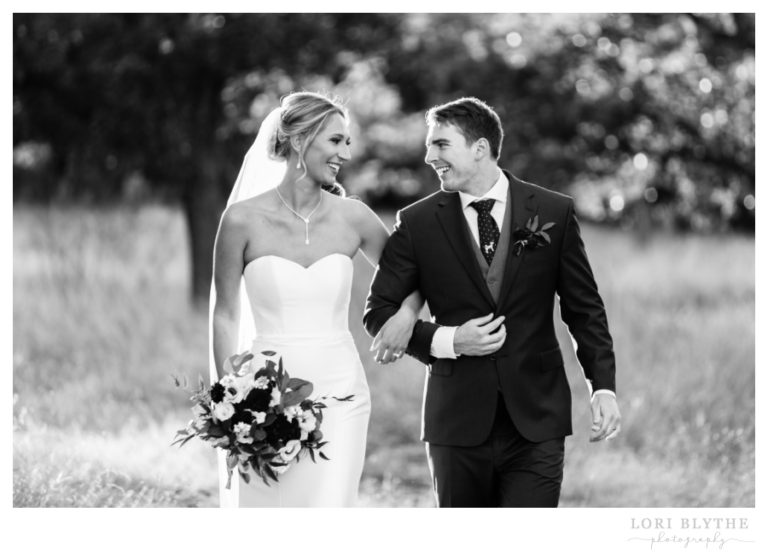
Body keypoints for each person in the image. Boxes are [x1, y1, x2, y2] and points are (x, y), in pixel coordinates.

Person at [364, 97, 621, 507]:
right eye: (430, 146)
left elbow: (584, 309)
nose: (430, 157)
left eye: (441, 145)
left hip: (537, 420)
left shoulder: (554, 210)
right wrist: (448, 341)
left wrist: (602, 387)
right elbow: (378, 313)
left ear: (480, 148)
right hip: (456, 423)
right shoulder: (417, 222)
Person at [209, 91, 417, 507]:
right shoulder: (241, 220)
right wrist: (230, 397)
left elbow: (410, 274)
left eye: (347, 143)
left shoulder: (354, 216)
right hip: (263, 395)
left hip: (341, 391)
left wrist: (407, 314)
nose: (345, 153)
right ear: (301, 139)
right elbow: (226, 314)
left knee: (329, 510)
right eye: (336, 140)